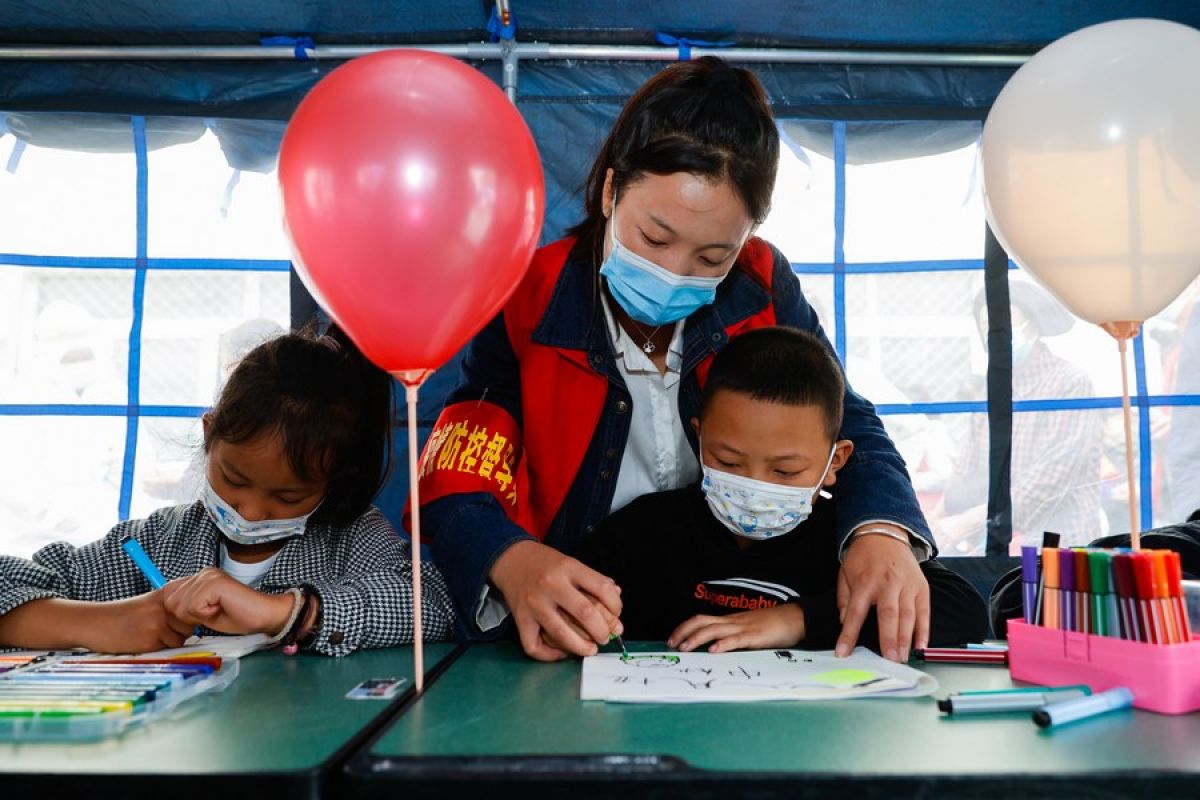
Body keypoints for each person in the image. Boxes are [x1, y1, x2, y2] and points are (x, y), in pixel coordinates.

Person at [416, 56, 936, 663]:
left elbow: (842, 417)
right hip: (581, 609)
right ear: (611, 191)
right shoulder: (529, 295)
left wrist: (880, 529)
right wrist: (509, 558)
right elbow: (459, 460)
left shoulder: (761, 285)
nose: (673, 271)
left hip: (724, 609)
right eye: (654, 238)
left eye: (712, 256)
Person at [0, 326, 455, 655]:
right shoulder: (156, 544)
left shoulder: (350, 539)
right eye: (234, 480)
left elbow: (431, 603)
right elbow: (9, 582)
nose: (252, 511)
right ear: (208, 435)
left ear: (334, 482)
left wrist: (284, 612)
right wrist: (102, 622)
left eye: (289, 497)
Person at [578, 327, 988, 654]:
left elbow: (962, 610)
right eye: (729, 462)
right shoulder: (647, 533)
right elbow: (570, 600)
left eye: (785, 471)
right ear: (699, 438)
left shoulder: (843, 544)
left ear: (836, 462)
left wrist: (795, 620)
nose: (756, 486)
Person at [937, 278, 1103, 553]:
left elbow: (1050, 480)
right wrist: (936, 516)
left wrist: (966, 522)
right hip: (998, 533)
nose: (996, 333)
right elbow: (967, 468)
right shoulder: (989, 390)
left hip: (1059, 539)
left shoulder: (1069, 383)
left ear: (1033, 328)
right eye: (986, 327)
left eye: (1007, 323)